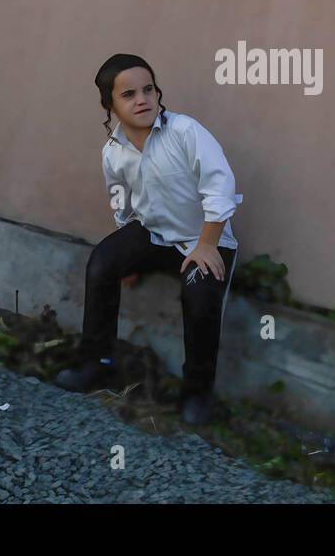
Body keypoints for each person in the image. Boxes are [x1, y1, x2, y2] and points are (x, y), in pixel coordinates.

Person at [54, 54, 242, 426]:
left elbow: (221, 187)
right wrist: (127, 257)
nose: (142, 99)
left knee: (199, 293)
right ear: (110, 104)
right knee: (103, 262)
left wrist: (207, 245)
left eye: (148, 89)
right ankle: (97, 363)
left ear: (158, 92)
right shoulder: (113, 151)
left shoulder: (185, 132)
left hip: (202, 238)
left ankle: (197, 394)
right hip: (154, 235)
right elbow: (121, 201)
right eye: (128, 94)